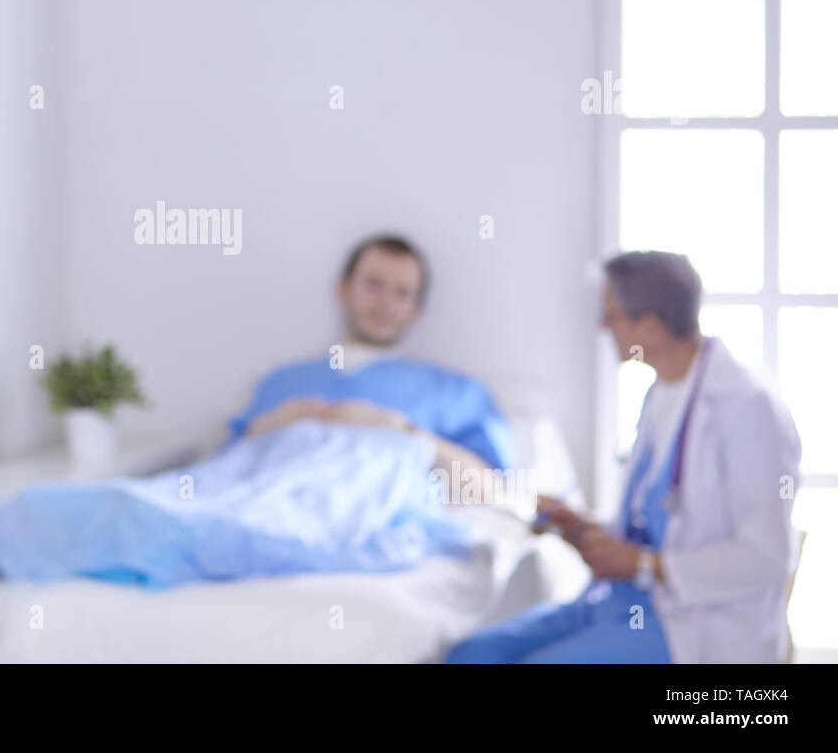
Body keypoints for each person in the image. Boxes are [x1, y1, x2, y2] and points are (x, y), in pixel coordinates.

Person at [445, 250, 801, 663]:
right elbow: (660, 523)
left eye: (610, 314)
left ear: (649, 326)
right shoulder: (663, 392)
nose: (602, 326)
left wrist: (643, 564)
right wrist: (581, 524)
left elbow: (766, 558)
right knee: (473, 655)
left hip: (696, 625)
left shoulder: (747, 407)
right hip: (623, 602)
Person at [227, 234, 513, 474]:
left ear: (416, 311)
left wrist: (402, 431)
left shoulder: (454, 393)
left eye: (401, 293)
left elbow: (493, 490)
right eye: (373, 285)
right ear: (344, 289)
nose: (384, 303)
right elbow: (220, 472)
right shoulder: (283, 383)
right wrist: (274, 425)